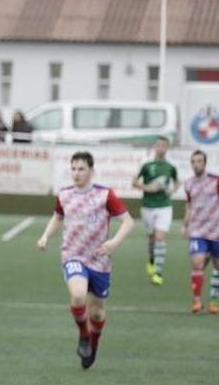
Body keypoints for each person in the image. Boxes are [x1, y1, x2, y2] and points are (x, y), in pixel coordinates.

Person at [36, 152, 134, 370]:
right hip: (73, 255)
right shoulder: (64, 195)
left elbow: (128, 222)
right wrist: (45, 236)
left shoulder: (105, 195)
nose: (76, 173)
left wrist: (114, 243)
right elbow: (58, 216)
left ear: (91, 171)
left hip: (99, 260)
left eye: (81, 169)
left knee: (97, 312)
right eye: (73, 168)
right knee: (78, 294)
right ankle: (83, 334)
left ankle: (93, 344)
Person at [131, 136, 178, 286]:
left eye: (164, 146)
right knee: (151, 238)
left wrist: (172, 191)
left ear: (167, 148)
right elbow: (134, 182)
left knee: (160, 237)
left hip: (164, 206)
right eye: (158, 145)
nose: (161, 148)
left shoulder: (171, 166)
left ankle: (158, 272)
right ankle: (151, 259)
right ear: (155, 147)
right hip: (148, 206)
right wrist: (147, 188)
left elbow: (177, 182)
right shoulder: (146, 164)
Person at [182, 151, 219, 314]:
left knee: (217, 266)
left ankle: (214, 301)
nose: (196, 164)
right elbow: (189, 204)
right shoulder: (188, 183)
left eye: (199, 161)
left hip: (216, 229)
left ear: (205, 163)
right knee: (197, 263)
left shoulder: (215, 181)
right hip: (197, 230)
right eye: (193, 162)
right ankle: (196, 301)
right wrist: (185, 223)